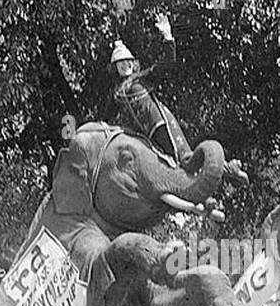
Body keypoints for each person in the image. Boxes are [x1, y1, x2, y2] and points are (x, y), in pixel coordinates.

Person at [103, 13, 246, 181]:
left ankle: (227, 168)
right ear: (115, 67)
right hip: (143, 138)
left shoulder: (141, 78)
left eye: (127, 61)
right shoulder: (116, 94)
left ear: (132, 63)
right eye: (120, 63)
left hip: (160, 124)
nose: (124, 65)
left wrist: (167, 37)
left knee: (184, 159)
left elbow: (168, 63)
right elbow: (105, 118)